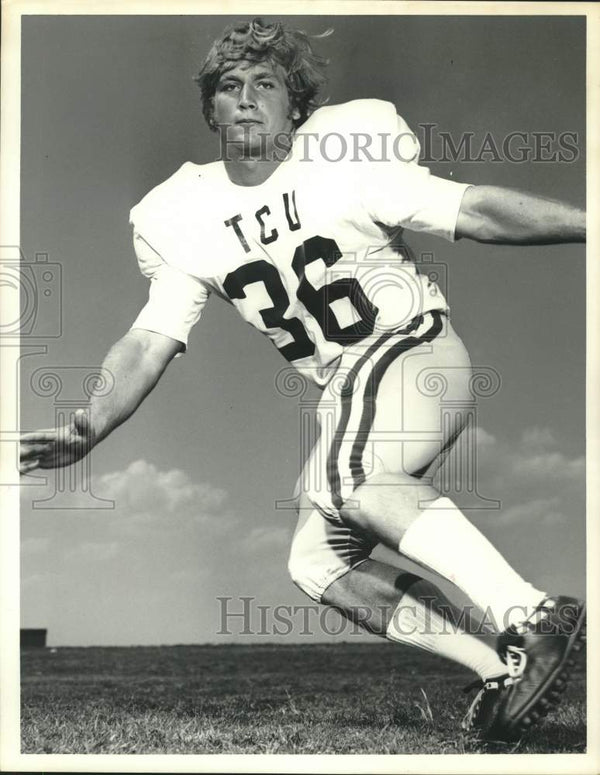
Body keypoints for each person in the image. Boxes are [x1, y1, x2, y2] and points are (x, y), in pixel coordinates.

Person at [19, 19, 586, 743]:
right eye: (230, 87)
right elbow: (151, 337)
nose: (248, 99)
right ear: (211, 111)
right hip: (348, 386)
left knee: (354, 476)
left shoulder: (345, 153)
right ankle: (500, 669)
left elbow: (470, 208)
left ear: (297, 106)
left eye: (266, 84)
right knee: (317, 560)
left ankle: (532, 612)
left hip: (408, 346)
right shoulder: (179, 212)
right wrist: (92, 421)